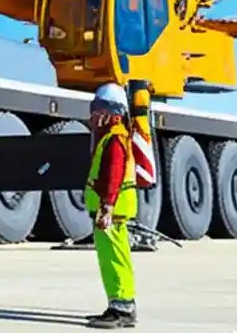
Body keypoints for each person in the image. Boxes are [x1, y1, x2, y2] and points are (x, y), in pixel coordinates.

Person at [85, 82, 138, 329]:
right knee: (112, 260)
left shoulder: (115, 139)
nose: (94, 113)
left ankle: (122, 309)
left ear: (114, 111)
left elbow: (114, 174)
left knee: (115, 260)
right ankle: (119, 305)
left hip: (112, 213)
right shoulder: (109, 137)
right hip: (111, 211)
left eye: (100, 107)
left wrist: (107, 207)